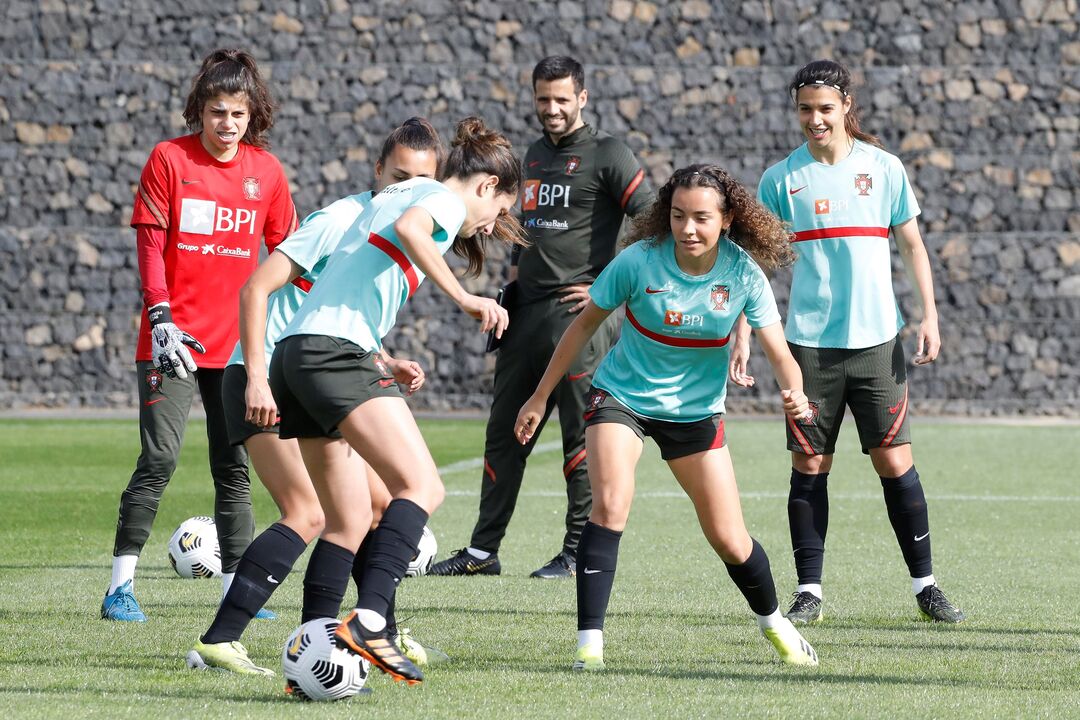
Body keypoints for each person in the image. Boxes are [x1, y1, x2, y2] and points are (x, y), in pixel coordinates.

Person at [516, 165, 820, 671]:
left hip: (696, 413)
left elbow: (780, 353)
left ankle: (775, 624)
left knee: (730, 538)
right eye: (678, 216)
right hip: (623, 397)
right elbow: (581, 328)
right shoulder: (639, 260)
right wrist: (539, 396)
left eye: (701, 218)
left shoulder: (743, 274)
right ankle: (589, 646)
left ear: (727, 219)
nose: (688, 228)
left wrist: (797, 395)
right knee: (610, 506)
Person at [265, 117, 524, 685]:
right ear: (486, 185)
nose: (490, 225)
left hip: (294, 353)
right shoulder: (439, 197)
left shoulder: (396, 191)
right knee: (423, 487)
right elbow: (412, 229)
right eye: (499, 209)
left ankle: (311, 653)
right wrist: (466, 298)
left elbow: (354, 274)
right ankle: (372, 621)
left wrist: (382, 357)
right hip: (334, 353)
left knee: (347, 521)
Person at [186, 119, 445, 675]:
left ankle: (375, 632)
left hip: (309, 377)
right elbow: (256, 289)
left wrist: (385, 360)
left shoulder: (391, 229)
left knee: (377, 506)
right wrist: (256, 377)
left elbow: (333, 316)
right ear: (377, 170)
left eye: (421, 181)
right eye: (398, 176)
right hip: (263, 377)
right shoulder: (341, 219)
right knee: (308, 512)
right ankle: (220, 640)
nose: (407, 189)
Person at [731, 59, 965, 624]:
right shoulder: (780, 179)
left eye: (824, 109)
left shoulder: (884, 168)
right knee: (811, 465)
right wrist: (742, 331)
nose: (815, 119)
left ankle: (926, 586)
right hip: (808, 347)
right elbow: (753, 264)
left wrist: (929, 315)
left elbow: (912, 245)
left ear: (845, 108)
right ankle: (809, 591)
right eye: (805, 109)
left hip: (878, 342)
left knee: (894, 460)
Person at [431, 55, 652, 580]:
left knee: (581, 439)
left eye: (561, 99)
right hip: (524, 314)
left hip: (580, 315)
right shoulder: (528, 156)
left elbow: (652, 217)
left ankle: (576, 552)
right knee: (504, 433)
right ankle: (482, 552)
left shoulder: (609, 154)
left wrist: (610, 285)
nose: (551, 108)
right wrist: (510, 279)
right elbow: (519, 227)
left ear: (583, 98)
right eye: (542, 99)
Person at [102, 49, 297, 622]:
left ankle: (235, 591)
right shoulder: (168, 158)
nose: (227, 123)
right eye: (217, 112)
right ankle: (119, 589)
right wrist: (161, 317)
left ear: (252, 115)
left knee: (233, 467)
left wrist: (287, 328)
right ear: (199, 110)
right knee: (159, 458)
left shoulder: (267, 172)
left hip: (237, 348)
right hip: (172, 342)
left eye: (237, 113)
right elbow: (149, 244)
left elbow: (289, 255)